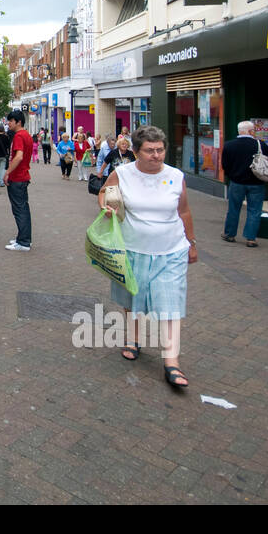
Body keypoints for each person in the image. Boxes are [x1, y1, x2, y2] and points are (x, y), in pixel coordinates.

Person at [98, 125, 197, 390]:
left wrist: (191, 243)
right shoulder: (123, 174)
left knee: (170, 303)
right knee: (133, 298)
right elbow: (104, 193)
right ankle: (133, 339)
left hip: (171, 249)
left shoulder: (176, 176)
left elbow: (184, 211)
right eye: (150, 150)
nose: (156, 155)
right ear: (136, 152)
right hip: (132, 248)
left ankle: (171, 361)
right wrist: (107, 208)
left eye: (160, 149)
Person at [221, 121, 268, 248]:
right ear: (251, 131)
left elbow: (225, 165)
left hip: (237, 182)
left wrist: (232, 175)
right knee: (254, 210)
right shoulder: (261, 145)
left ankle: (230, 234)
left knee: (233, 209)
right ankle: (251, 238)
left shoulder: (229, 145)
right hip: (256, 183)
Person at [4, 110, 33, 251]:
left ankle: (23, 242)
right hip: (23, 177)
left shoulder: (19, 136)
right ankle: (24, 238)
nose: (8, 123)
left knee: (19, 210)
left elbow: (19, 156)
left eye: (10, 121)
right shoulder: (26, 135)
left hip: (17, 178)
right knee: (23, 209)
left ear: (18, 122)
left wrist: (8, 172)